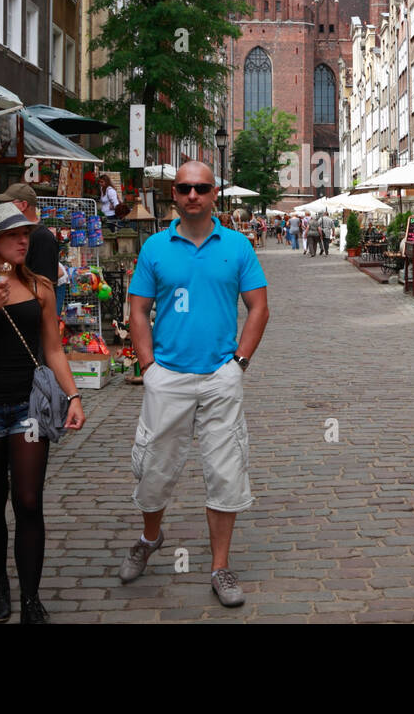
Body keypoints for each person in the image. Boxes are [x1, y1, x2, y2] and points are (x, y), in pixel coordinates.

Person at [121, 162, 269, 608]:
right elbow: (137, 310)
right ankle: (150, 538)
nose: (192, 195)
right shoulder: (155, 247)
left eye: (201, 188)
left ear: (214, 193)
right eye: (184, 188)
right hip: (168, 375)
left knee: (225, 471)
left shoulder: (238, 246)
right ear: (174, 192)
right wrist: (148, 368)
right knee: (154, 468)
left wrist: (238, 363)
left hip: (220, 376)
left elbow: (258, 308)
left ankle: (220, 567)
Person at [0, 203, 86, 624]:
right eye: (14, 235)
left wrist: (74, 396)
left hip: (29, 410)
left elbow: (53, 348)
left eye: (26, 234)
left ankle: (31, 597)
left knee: (28, 501)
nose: (24, 241)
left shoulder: (42, 289)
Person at [0, 184, 59, 292]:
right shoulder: (8, 231)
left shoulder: (42, 237)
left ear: (23, 205)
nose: (4, 208)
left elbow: (45, 285)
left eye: (8, 203)